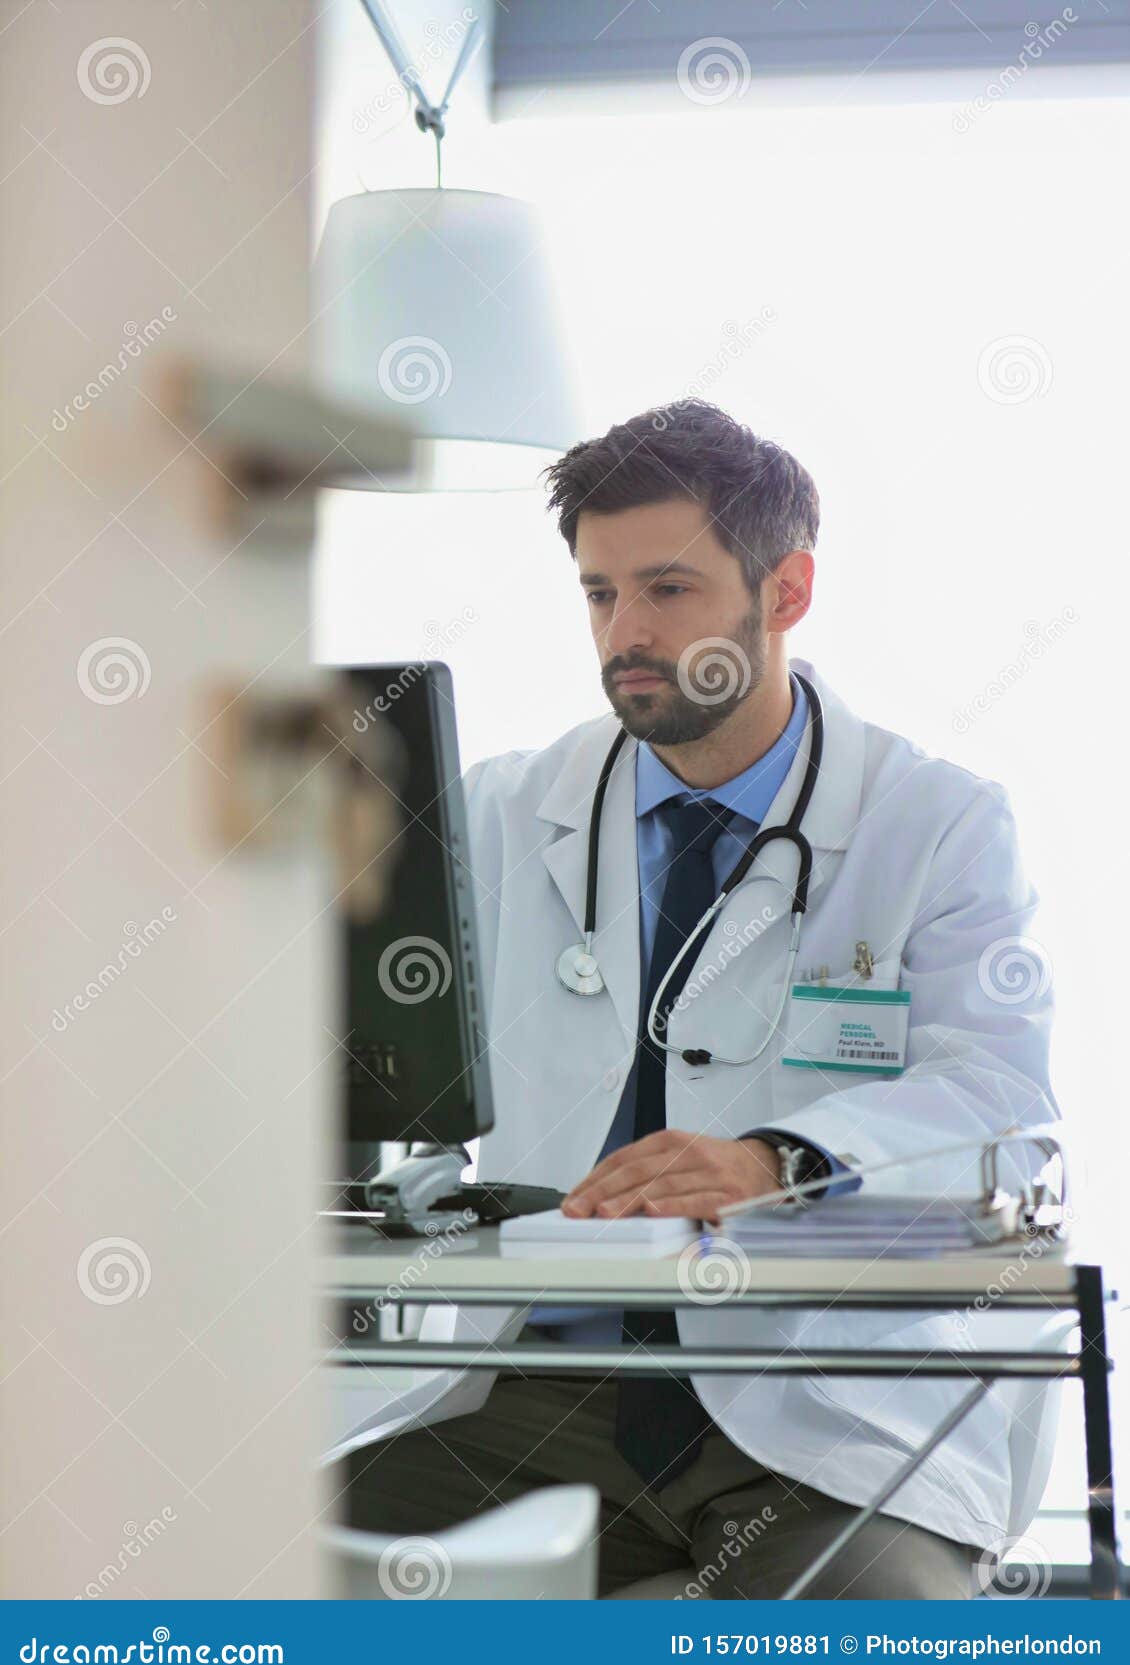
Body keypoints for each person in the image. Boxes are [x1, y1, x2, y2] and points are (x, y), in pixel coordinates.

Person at [336, 399, 1059, 1599]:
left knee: (876, 1633)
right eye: (599, 592)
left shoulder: (934, 823)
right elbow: (366, 1058)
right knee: (252, 1564)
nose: (625, 631)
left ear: (785, 591)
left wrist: (777, 1160)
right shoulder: (497, 811)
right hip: (543, 1387)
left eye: (667, 589)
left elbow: (997, 1102)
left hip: (823, 1402)